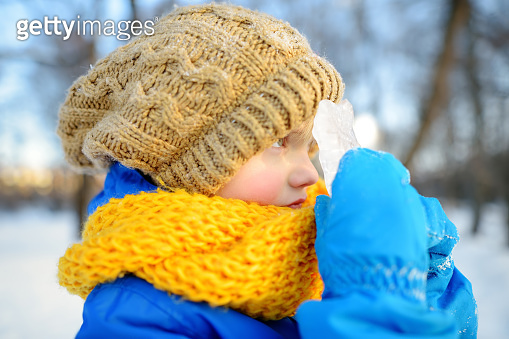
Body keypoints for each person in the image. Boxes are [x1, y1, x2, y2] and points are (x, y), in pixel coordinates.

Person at [57, 3, 477, 338]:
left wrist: (423, 280)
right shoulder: (136, 316)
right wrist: (374, 303)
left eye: (308, 147)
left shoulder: (310, 253)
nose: (309, 175)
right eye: (278, 141)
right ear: (188, 168)